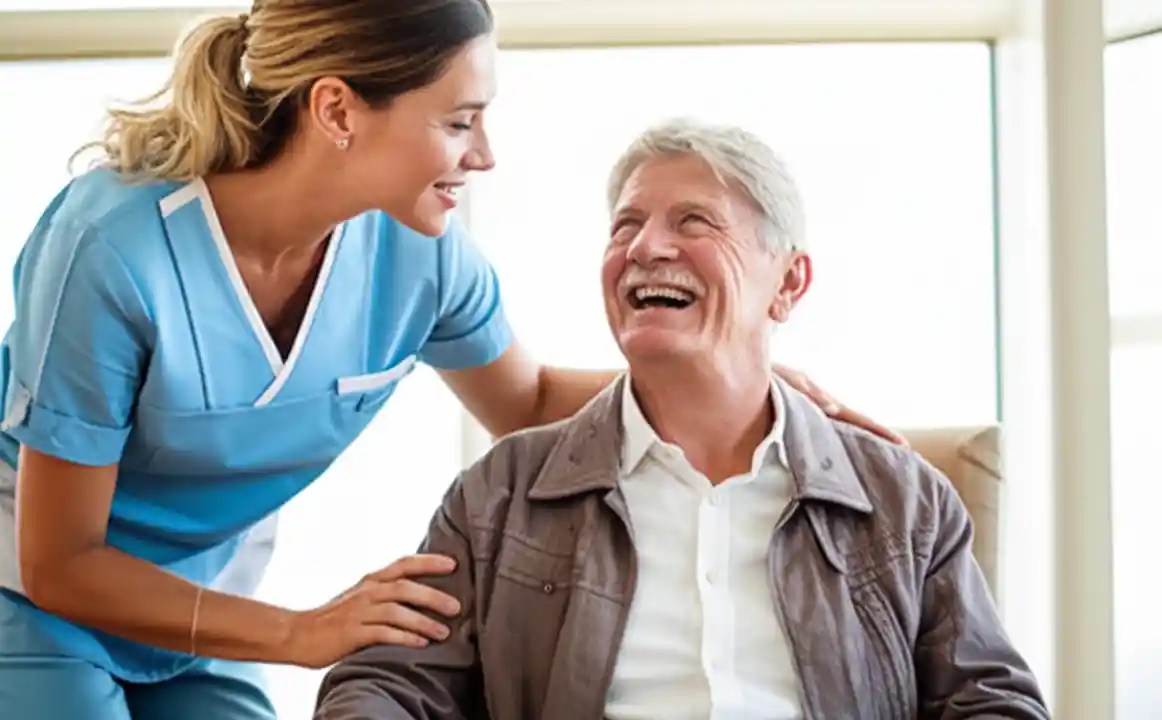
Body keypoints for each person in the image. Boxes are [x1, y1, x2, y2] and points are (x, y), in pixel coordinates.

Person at [0, 3, 898, 719]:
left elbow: (529, 398)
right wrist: (303, 631)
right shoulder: (112, 249)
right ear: (338, 109)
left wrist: (749, 388)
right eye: (459, 121)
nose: (485, 154)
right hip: (30, 594)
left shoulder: (420, 255)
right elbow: (60, 561)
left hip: (196, 611)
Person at [314, 119, 1050, 720]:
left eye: (693, 222)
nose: (644, 247)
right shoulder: (498, 495)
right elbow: (385, 684)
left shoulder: (904, 501)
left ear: (787, 282)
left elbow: (992, 702)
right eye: (624, 225)